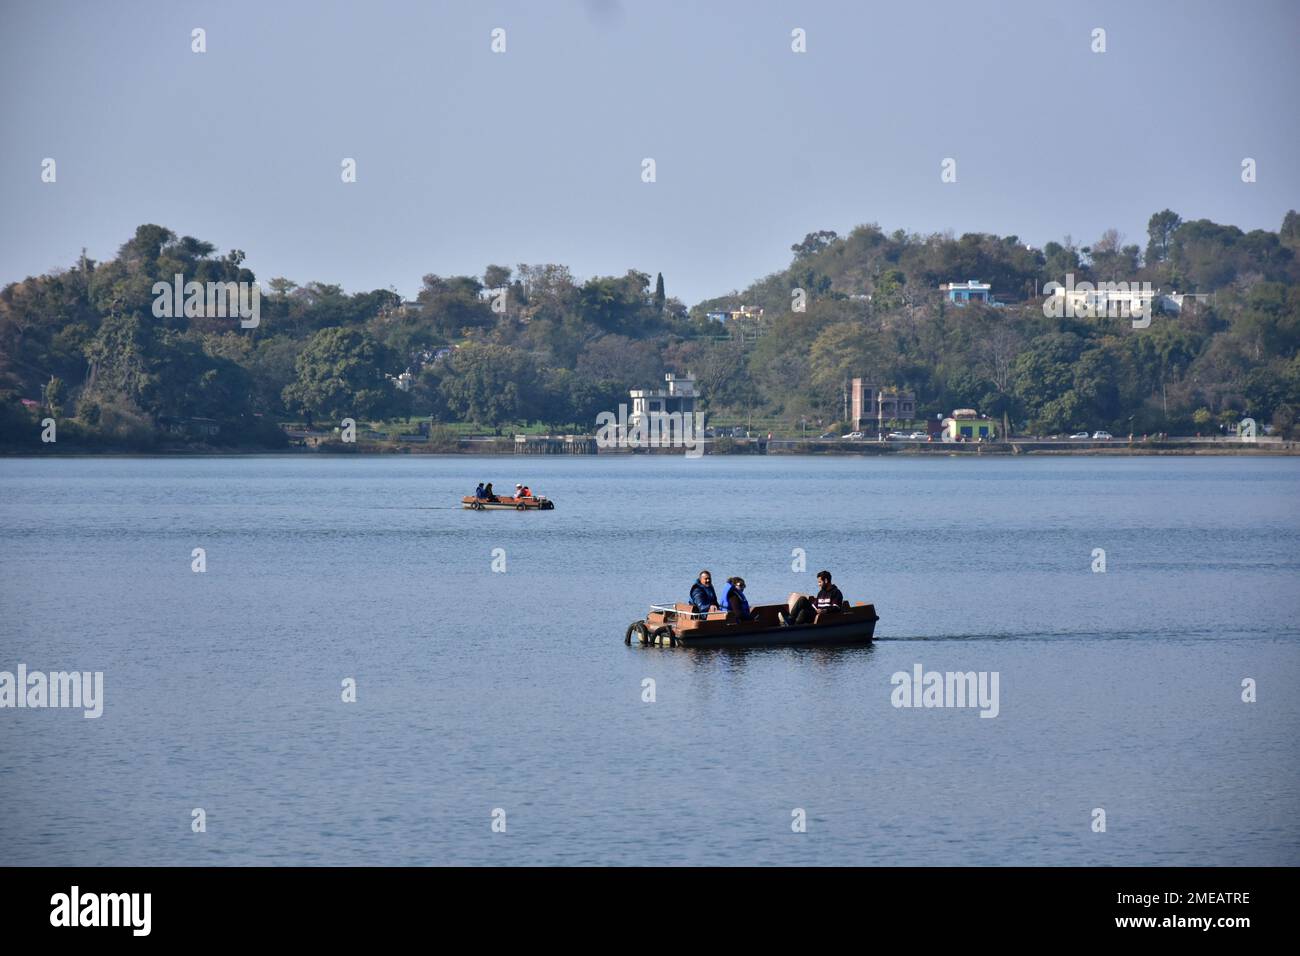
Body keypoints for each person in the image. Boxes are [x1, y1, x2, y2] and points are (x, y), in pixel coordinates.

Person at [781, 570, 846, 625]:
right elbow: (814, 606)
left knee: (804, 613)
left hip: (824, 617)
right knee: (802, 599)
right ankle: (790, 620)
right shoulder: (821, 593)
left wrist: (824, 610)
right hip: (816, 614)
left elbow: (836, 608)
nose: (818, 584)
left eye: (820, 582)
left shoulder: (836, 592)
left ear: (826, 580)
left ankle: (793, 627)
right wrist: (814, 609)